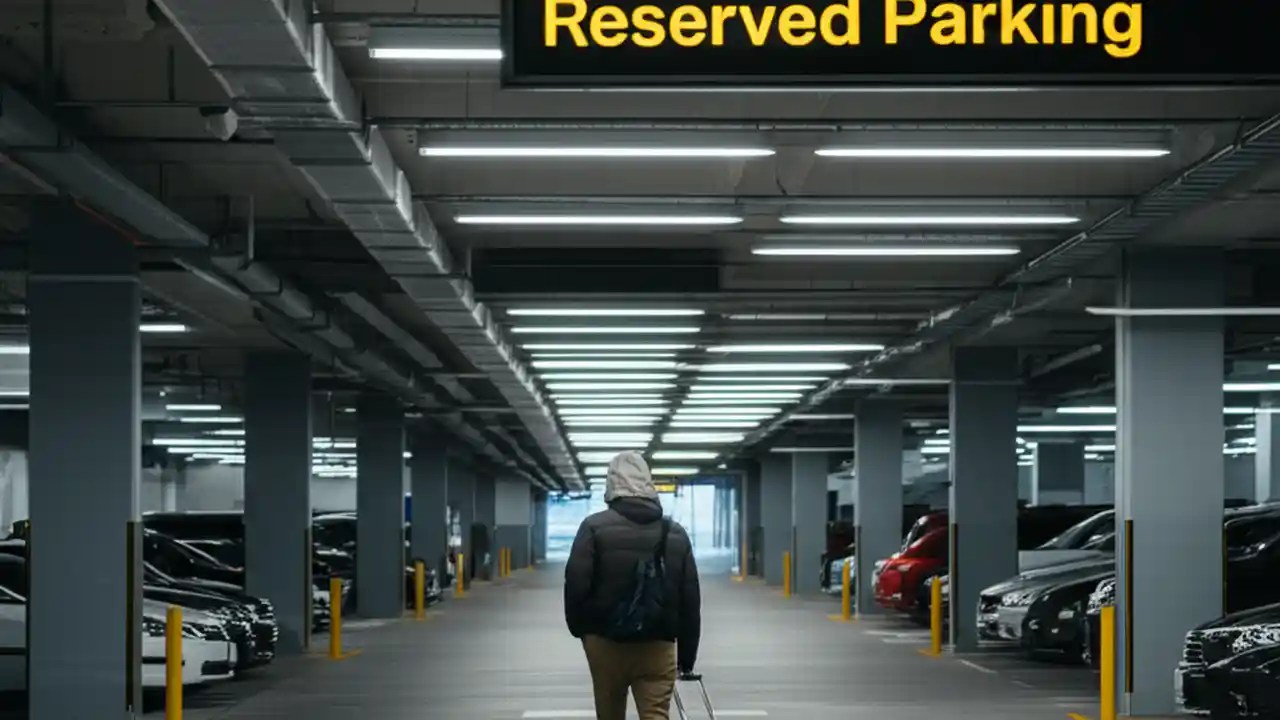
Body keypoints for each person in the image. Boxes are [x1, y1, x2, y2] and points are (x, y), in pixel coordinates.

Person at [564, 451, 702, 720]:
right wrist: (686, 657)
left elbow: (575, 585)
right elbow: (690, 600)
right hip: (658, 644)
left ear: (611, 484)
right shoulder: (675, 533)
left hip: (604, 642)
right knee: (656, 715)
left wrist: (583, 631)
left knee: (610, 712)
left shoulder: (593, 528)